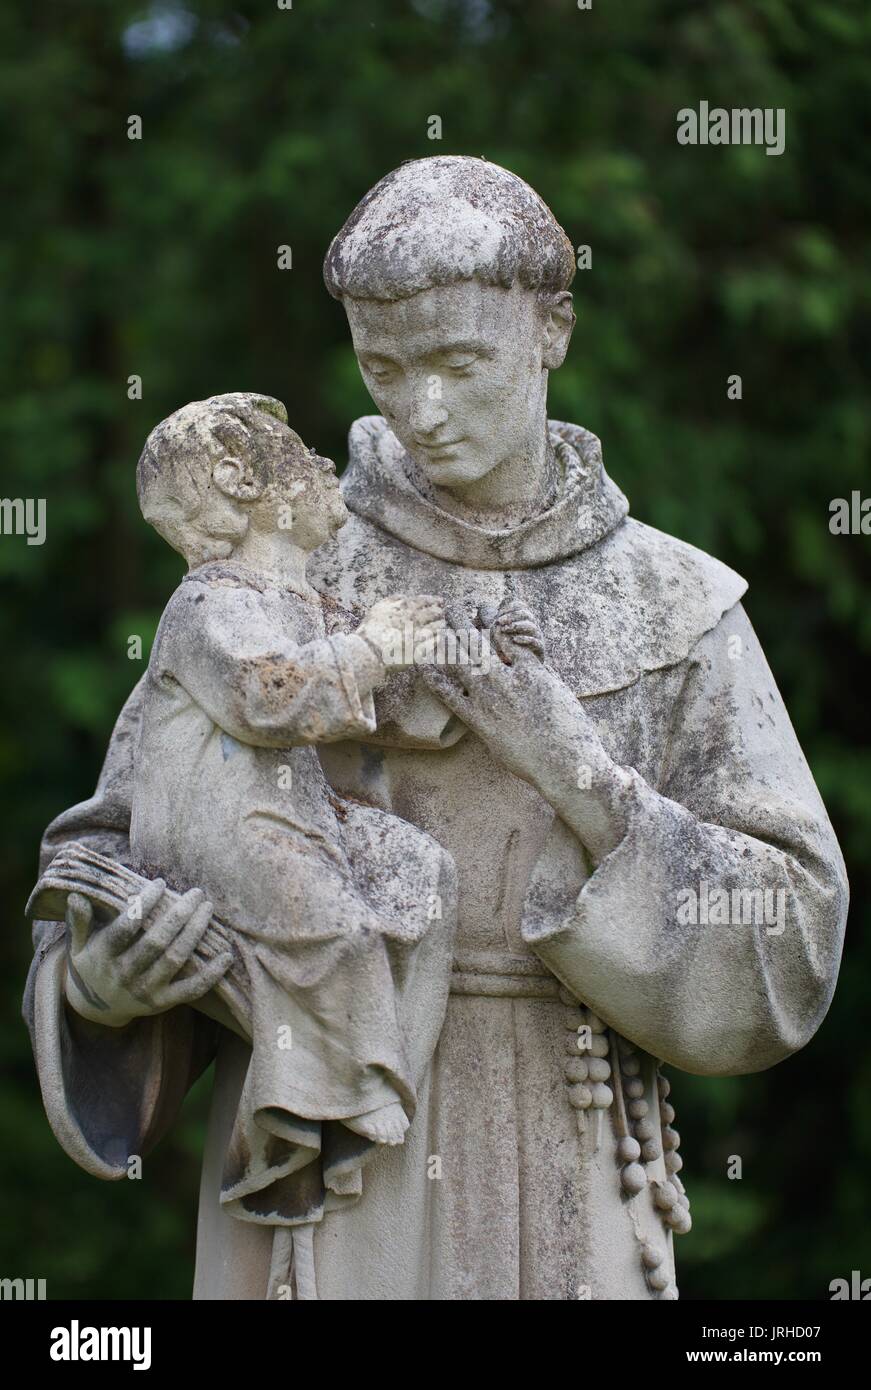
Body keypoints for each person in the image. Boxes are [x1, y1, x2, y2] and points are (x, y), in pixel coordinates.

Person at [25, 157, 848, 1301]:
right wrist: (101, 987)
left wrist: (575, 770)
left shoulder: (671, 603)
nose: (421, 408)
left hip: (572, 1146)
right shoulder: (276, 579)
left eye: (462, 363)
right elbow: (121, 848)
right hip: (330, 1160)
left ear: (552, 328)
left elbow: (791, 938)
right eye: (384, 367)